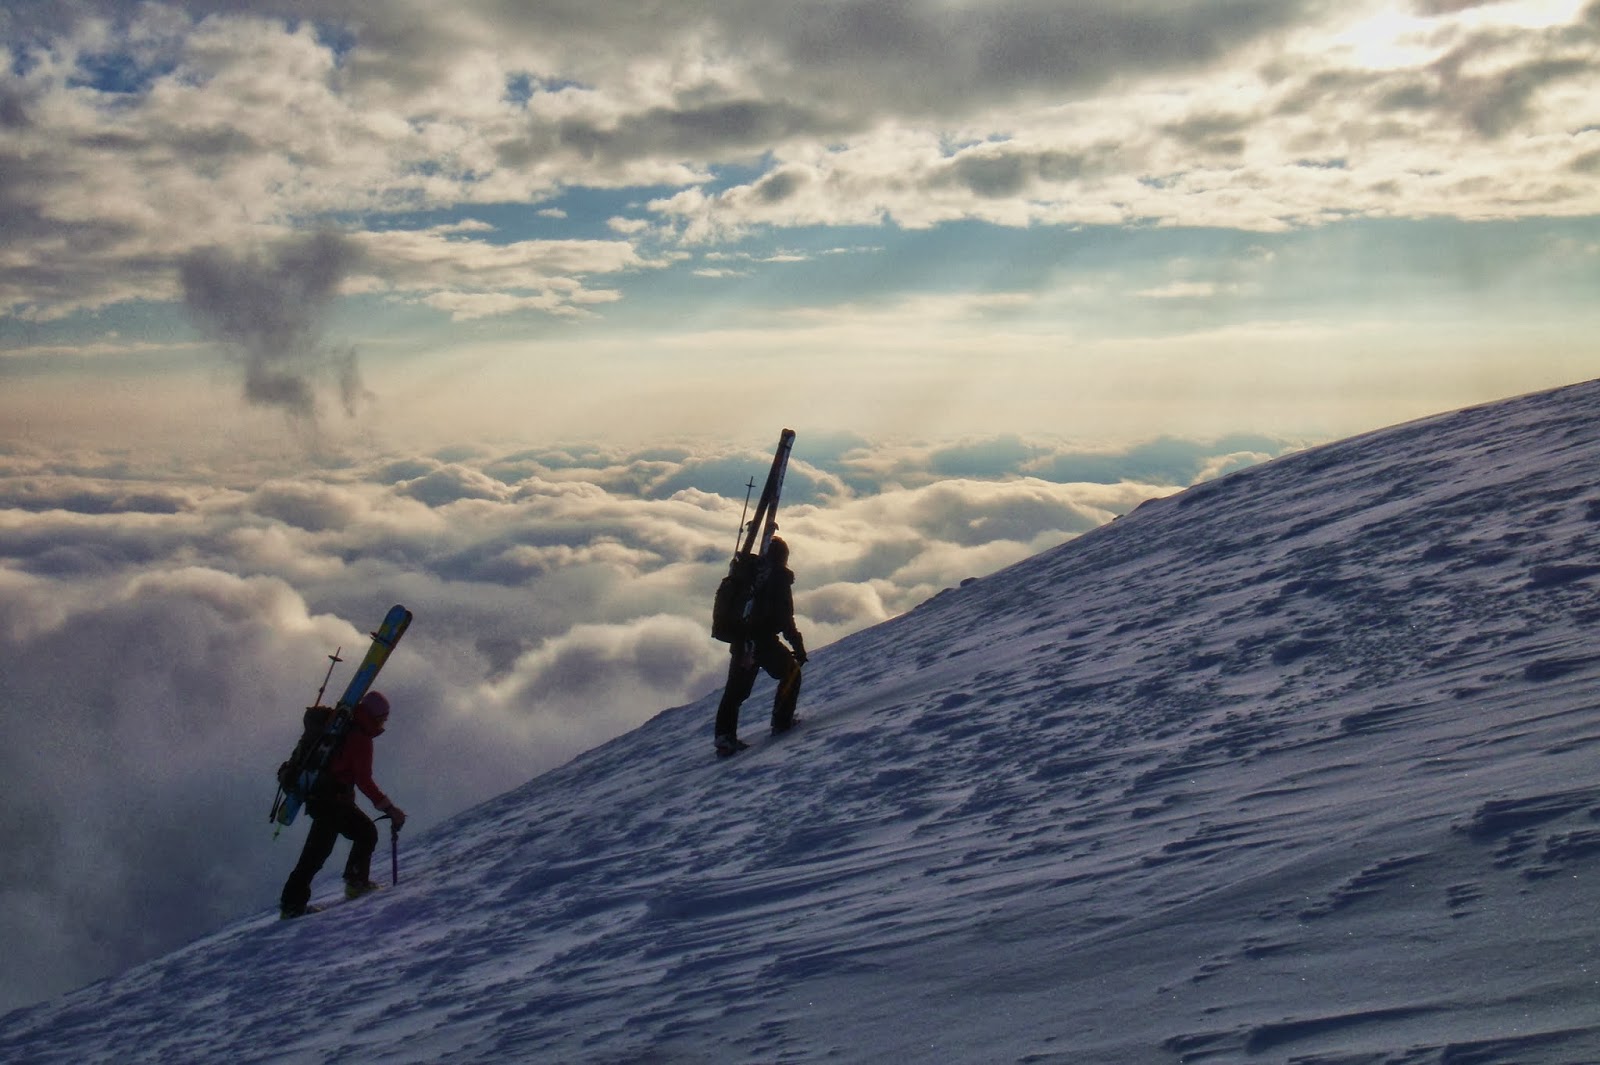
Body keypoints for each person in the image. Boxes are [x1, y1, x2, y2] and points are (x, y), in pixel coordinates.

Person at [279, 690, 407, 918]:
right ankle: (295, 905)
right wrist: (390, 808)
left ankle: (351, 883)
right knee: (321, 852)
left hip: (322, 797)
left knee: (355, 837)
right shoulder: (361, 738)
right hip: (333, 801)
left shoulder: (344, 723)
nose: (383, 724)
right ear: (375, 716)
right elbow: (364, 782)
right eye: (383, 718)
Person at [714, 535, 808, 755]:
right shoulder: (778, 578)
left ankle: (724, 736)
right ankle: (782, 721)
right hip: (763, 641)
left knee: (735, 691)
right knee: (791, 672)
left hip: (741, 640)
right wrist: (798, 646)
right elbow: (785, 619)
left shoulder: (750, 574)